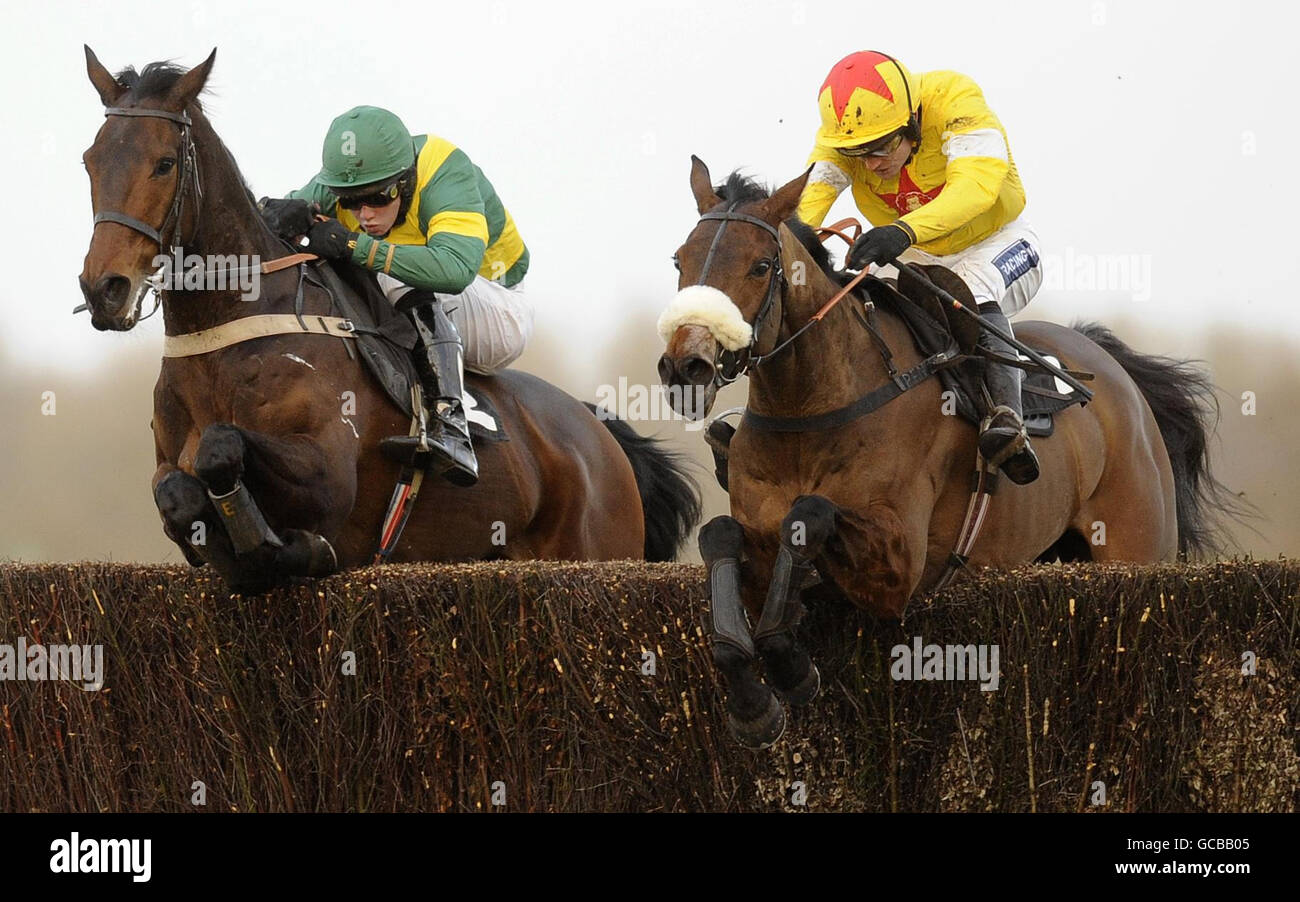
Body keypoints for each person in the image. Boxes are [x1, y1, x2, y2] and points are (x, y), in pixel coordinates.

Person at [798, 51, 1041, 485]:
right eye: (859, 154)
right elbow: (806, 210)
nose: (871, 163)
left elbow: (976, 188)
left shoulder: (956, 100)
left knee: (970, 286)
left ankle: (1008, 422)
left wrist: (903, 232)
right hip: (915, 253)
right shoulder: (841, 137)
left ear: (912, 120)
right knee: (857, 304)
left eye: (882, 148)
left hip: (997, 242)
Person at [258, 106, 532, 486]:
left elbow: (453, 270)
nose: (364, 213)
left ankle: (451, 426)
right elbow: (263, 229)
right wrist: (270, 212)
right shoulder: (345, 180)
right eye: (350, 201)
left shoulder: (444, 169)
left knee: (380, 268)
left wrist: (354, 244)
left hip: (499, 311)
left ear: (404, 181)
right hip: (430, 308)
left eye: (377, 198)